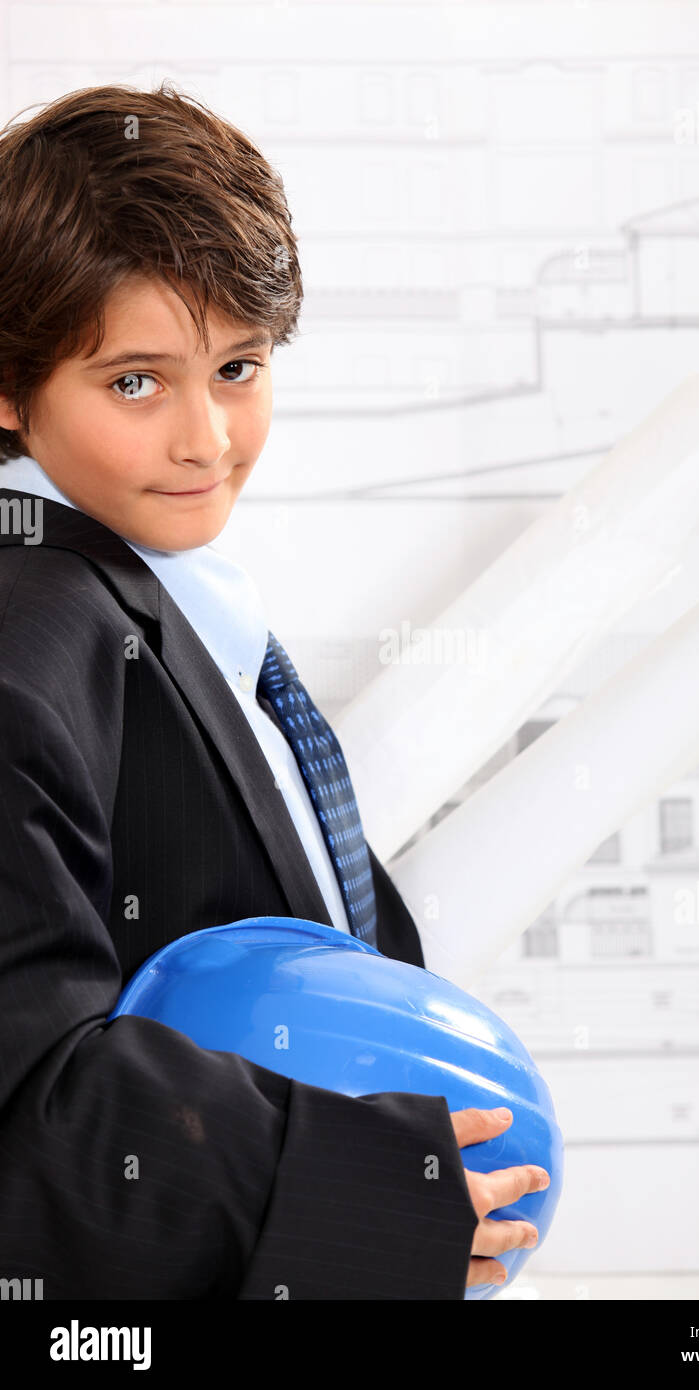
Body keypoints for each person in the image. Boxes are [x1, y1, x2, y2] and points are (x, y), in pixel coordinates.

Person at [0, 80, 549, 1300]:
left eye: (237, 368)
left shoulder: (154, 595)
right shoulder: (26, 642)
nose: (205, 439)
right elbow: (29, 1093)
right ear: (7, 387)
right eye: (135, 382)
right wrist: (376, 1189)